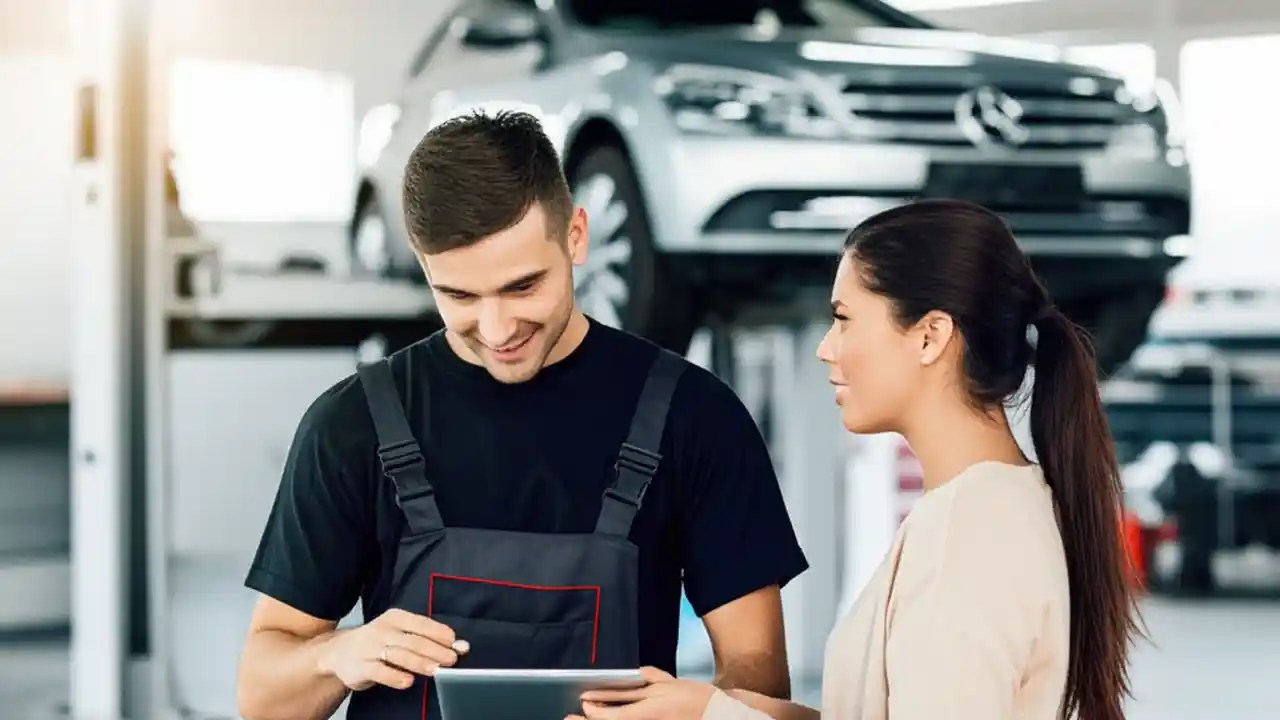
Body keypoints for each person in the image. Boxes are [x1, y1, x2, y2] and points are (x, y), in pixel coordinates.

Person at [234, 111, 809, 720]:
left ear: (577, 236)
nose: (498, 329)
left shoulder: (695, 418)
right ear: (425, 268)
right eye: (459, 296)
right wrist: (338, 654)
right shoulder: (352, 426)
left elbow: (760, 689)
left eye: (522, 286)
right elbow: (263, 696)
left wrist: (694, 713)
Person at [572, 199, 1142, 720]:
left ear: (930, 337)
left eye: (844, 318)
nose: (827, 346)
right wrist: (721, 708)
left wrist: (711, 717)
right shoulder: (984, 508)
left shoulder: (971, 529)